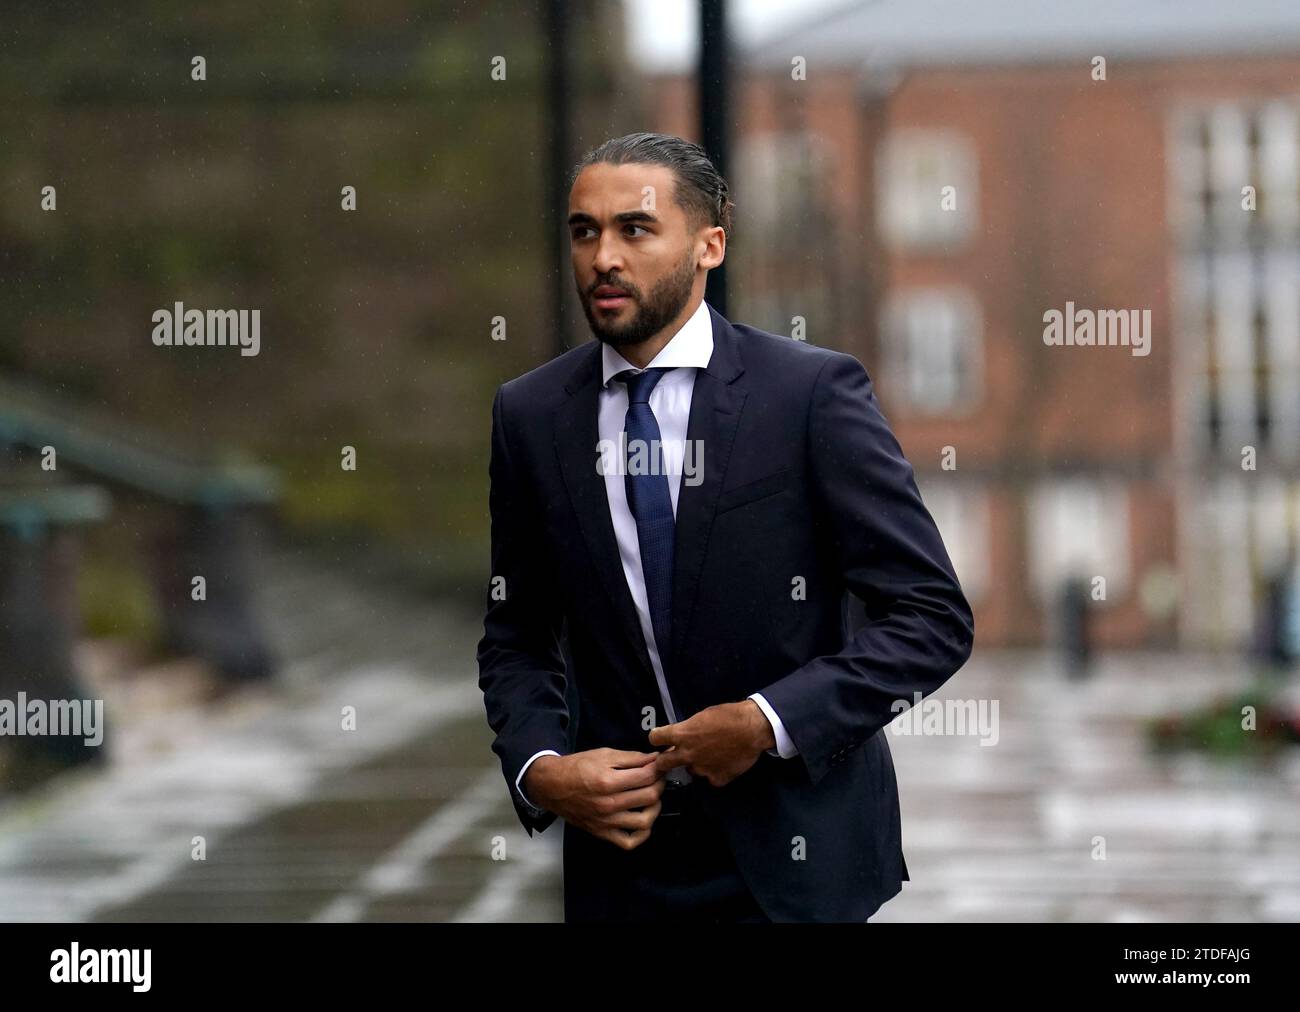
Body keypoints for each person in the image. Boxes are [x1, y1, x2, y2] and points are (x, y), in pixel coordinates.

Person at [476, 132, 974, 922]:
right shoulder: (531, 416)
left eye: (634, 230)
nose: (603, 256)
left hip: (795, 864)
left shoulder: (809, 395)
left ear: (711, 243)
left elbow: (931, 619)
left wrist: (766, 723)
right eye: (584, 231)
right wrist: (542, 768)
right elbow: (517, 632)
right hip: (622, 868)